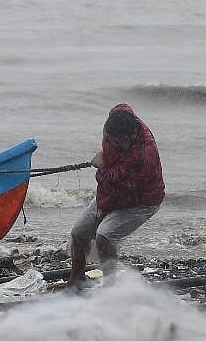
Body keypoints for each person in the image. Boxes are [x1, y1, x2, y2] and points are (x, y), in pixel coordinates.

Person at [68, 103, 165, 288]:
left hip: (140, 201)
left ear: (129, 136)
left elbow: (116, 183)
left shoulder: (143, 157)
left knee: (104, 237)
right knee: (79, 233)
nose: (114, 145)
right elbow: (122, 106)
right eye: (110, 140)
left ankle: (110, 287)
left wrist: (101, 165)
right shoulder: (117, 118)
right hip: (110, 194)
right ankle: (77, 279)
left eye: (118, 143)